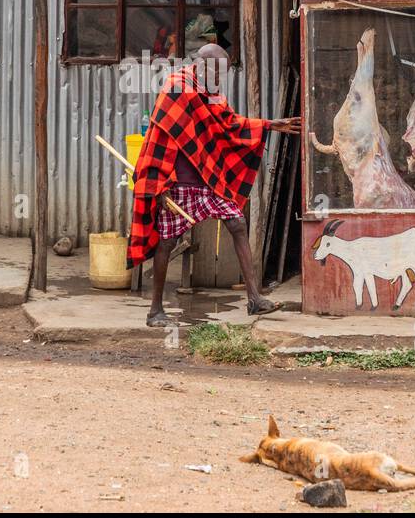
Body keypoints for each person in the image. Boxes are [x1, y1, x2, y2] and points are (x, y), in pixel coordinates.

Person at [127, 44, 300, 327]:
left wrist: (269, 125)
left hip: (207, 179)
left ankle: (254, 299)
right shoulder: (177, 86)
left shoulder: (211, 92)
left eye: (223, 73)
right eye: (217, 72)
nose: (220, 79)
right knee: (167, 242)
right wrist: (159, 182)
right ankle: (155, 310)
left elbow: (228, 125)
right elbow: (160, 137)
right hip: (177, 180)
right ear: (201, 66)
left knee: (236, 223)